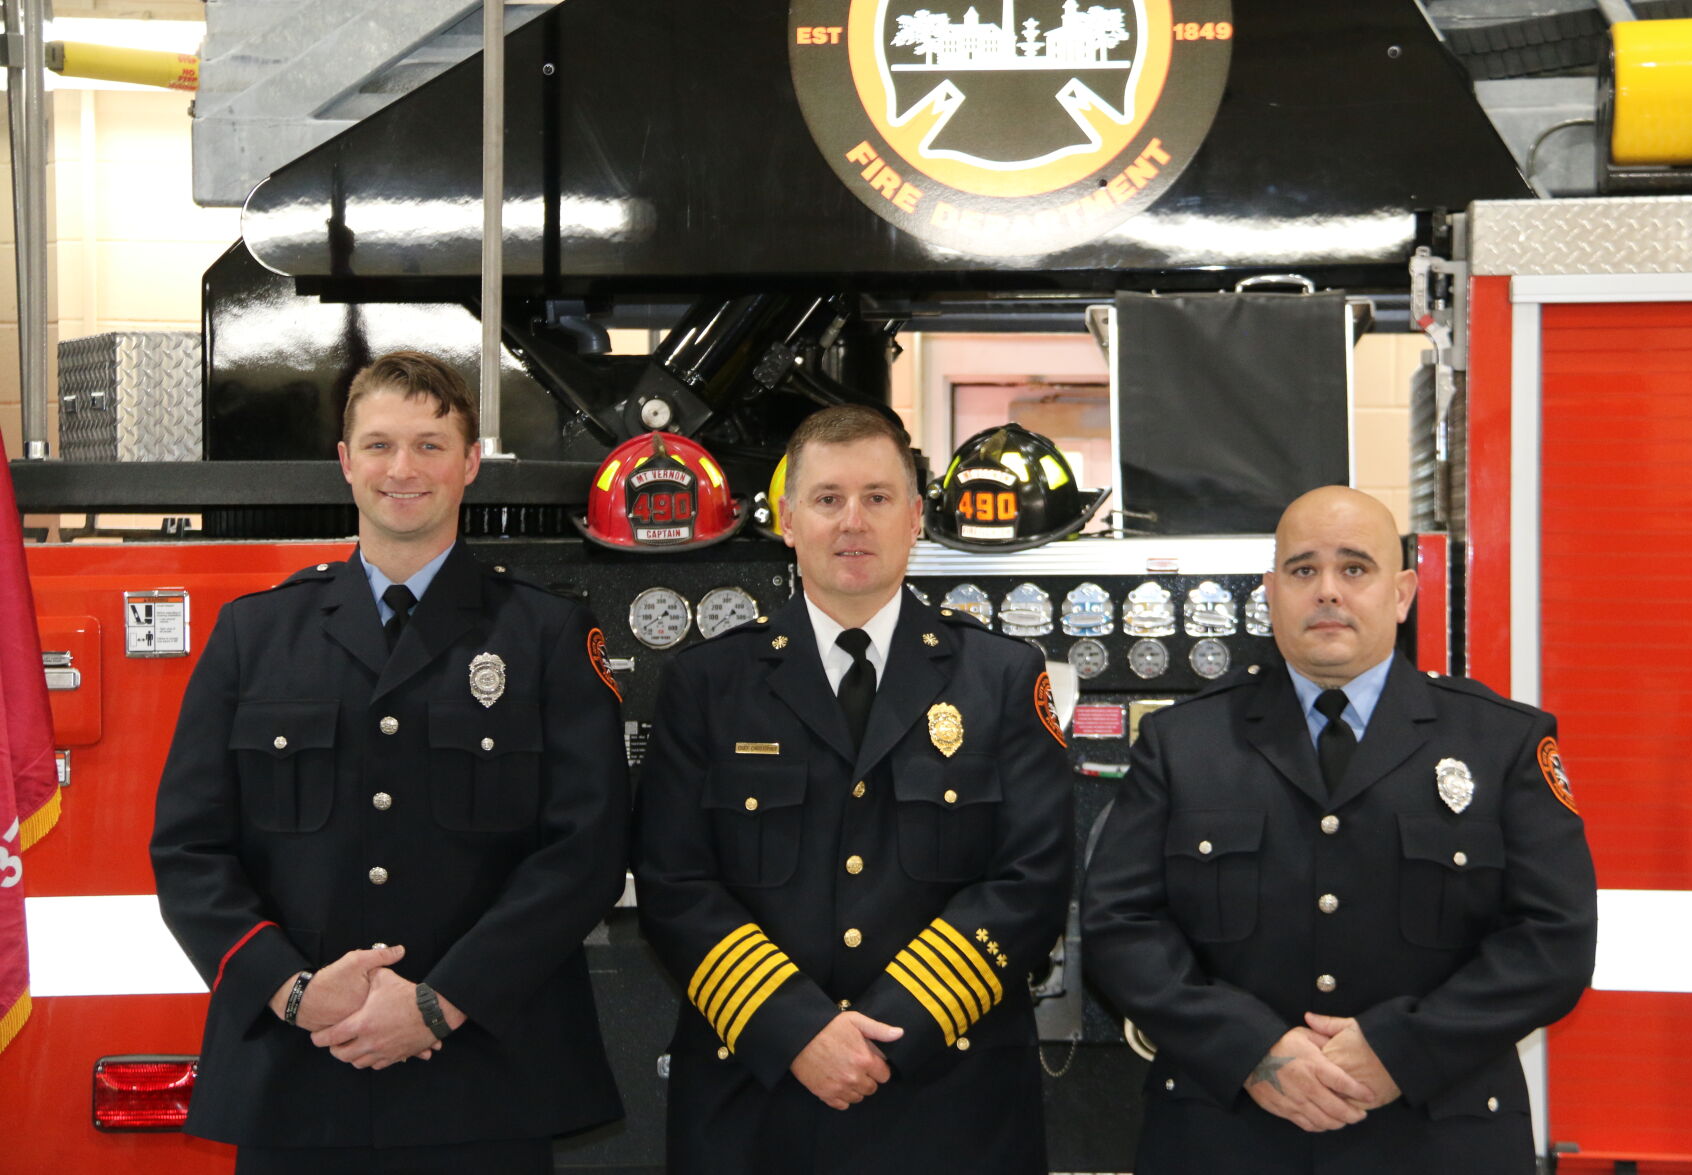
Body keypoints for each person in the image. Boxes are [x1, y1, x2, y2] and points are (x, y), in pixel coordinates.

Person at [150, 351, 629, 1174]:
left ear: (470, 462)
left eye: (430, 445)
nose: (402, 469)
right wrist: (294, 992)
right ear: (344, 461)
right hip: (298, 1075)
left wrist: (441, 1004)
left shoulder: (547, 635)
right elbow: (189, 850)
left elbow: (583, 850)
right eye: (377, 445)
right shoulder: (252, 636)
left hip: (482, 1079)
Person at [1082, 485, 1597, 1174]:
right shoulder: (1182, 742)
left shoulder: (1501, 741)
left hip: (1436, 1139)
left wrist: (1402, 1048)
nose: (1327, 590)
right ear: (1270, 592)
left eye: (1354, 567)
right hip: (1226, 1136)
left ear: (1403, 591)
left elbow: (1553, 941)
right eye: (1302, 569)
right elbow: (1119, 925)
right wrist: (1253, 1049)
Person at [635, 405, 1075, 1174]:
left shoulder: (1003, 677)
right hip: (759, 1089)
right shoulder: (706, 683)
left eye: (876, 498)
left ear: (913, 520)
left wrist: (890, 1025)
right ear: (786, 520)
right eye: (827, 498)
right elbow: (674, 882)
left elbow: (1030, 877)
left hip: (949, 1095)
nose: (852, 521)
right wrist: (798, 1028)